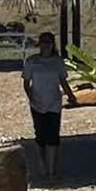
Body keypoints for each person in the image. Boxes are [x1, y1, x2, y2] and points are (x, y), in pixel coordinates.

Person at [22, 31, 76, 180]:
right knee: (40, 134)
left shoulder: (58, 62)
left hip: (54, 102)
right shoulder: (32, 62)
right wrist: (31, 97)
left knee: (53, 135)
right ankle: (42, 163)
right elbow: (26, 83)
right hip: (37, 102)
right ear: (40, 44)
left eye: (49, 42)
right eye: (44, 42)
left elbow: (63, 81)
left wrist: (71, 96)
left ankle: (51, 170)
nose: (46, 46)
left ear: (53, 45)